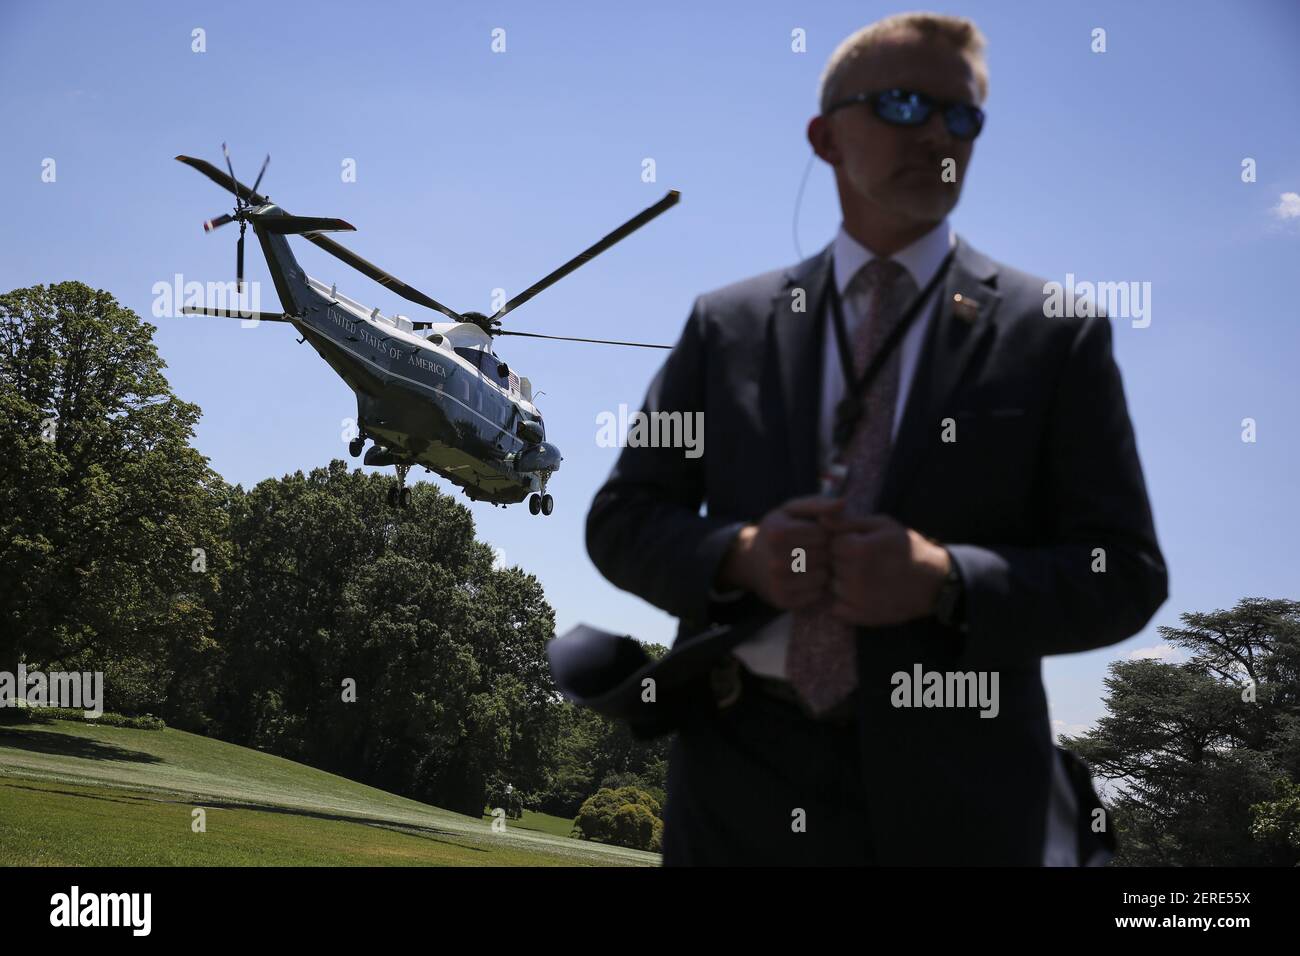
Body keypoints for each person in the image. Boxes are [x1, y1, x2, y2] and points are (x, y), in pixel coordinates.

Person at [585, 12, 1167, 865]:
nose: (937, 133)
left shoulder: (1055, 332)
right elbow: (623, 519)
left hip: (960, 804)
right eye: (903, 104)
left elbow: (1126, 572)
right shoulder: (727, 325)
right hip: (736, 787)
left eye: (961, 116)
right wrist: (740, 556)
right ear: (824, 137)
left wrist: (948, 580)